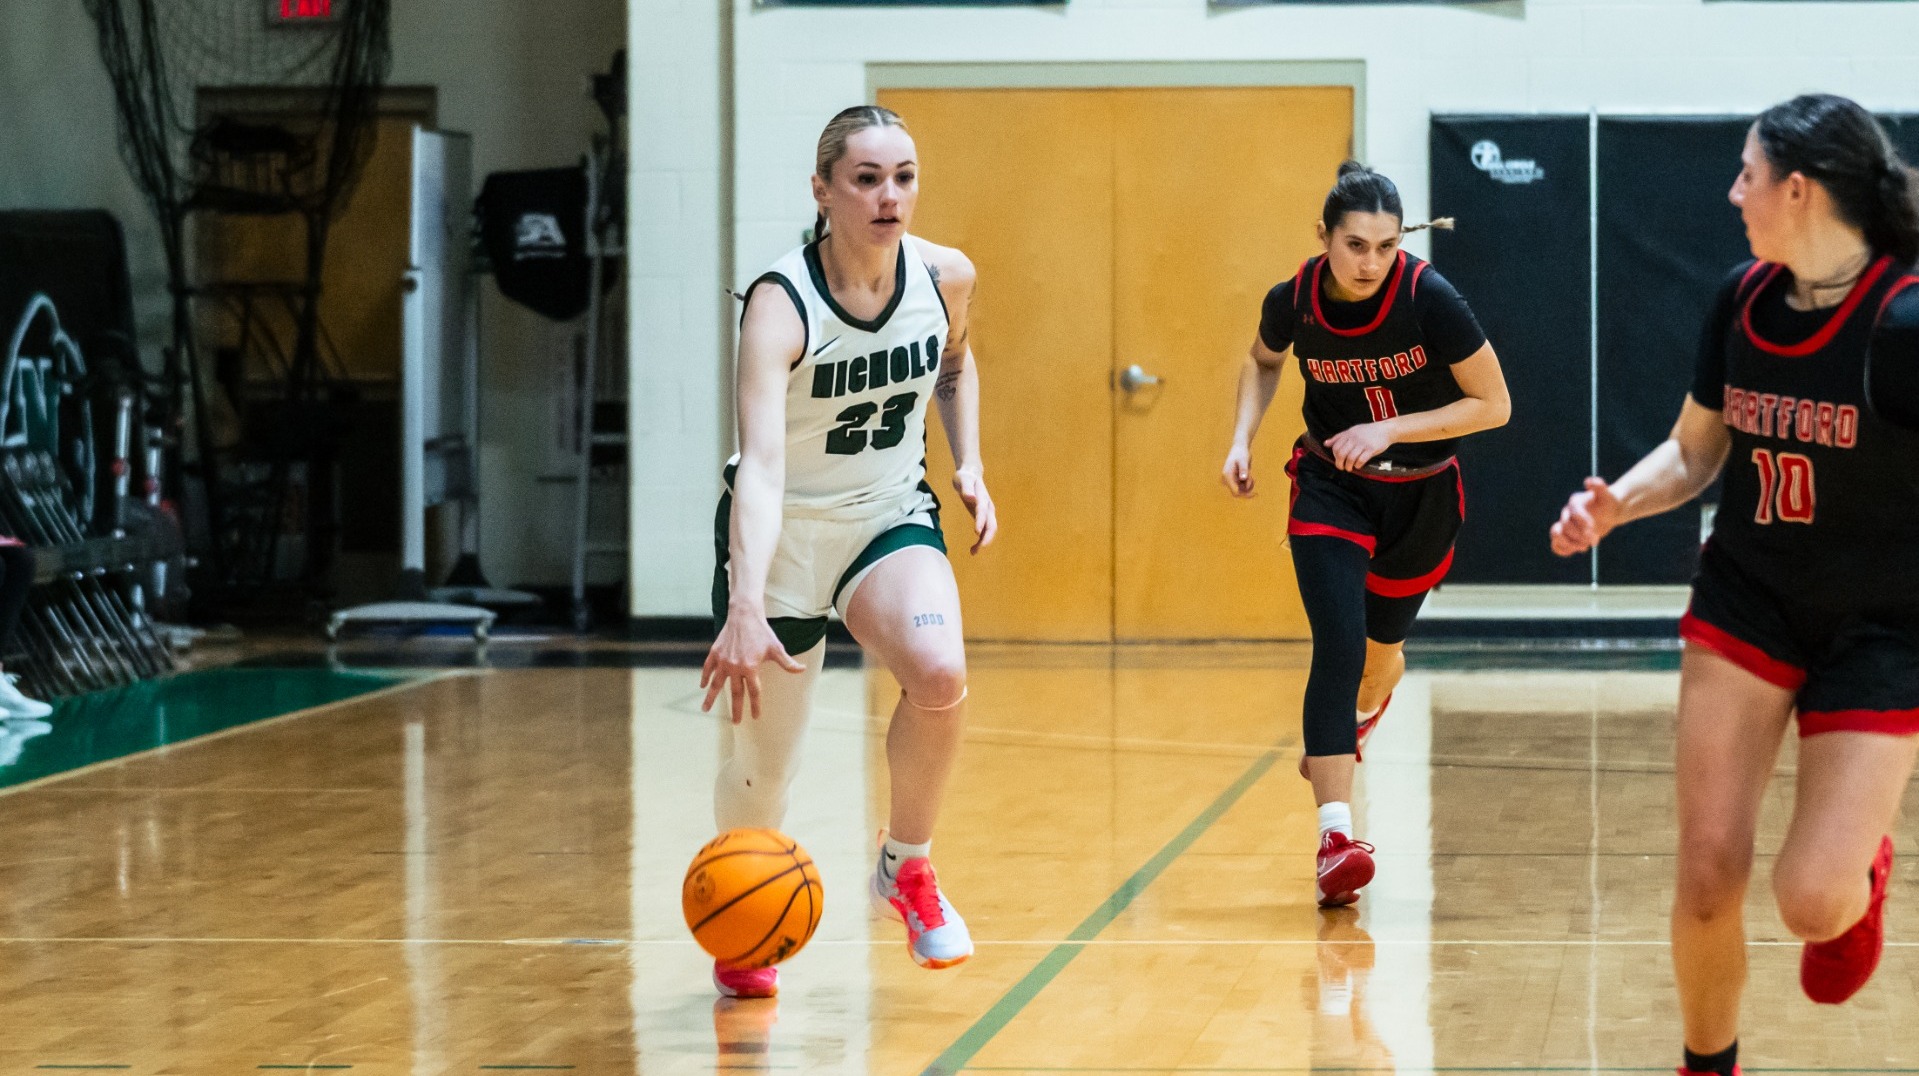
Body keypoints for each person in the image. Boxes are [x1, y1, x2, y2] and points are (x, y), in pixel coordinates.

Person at [1551, 94, 1919, 1076]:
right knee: (1707, 871)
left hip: (1882, 628)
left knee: (1809, 901)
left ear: (1795, 190)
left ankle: (1861, 869)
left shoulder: (1904, 319)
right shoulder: (1740, 298)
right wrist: (1614, 504)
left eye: (1745, 174)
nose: (1731, 192)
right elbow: (1692, 450)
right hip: (1748, 599)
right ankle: (1705, 1065)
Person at [700, 105, 998, 999]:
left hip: (883, 513)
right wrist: (745, 604)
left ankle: (904, 867)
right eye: (866, 178)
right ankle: (741, 915)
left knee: (940, 673)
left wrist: (970, 459)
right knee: (762, 775)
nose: (887, 195)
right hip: (783, 531)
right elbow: (757, 467)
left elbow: (956, 361)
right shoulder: (779, 304)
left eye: (902, 176)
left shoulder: (944, 275)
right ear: (823, 190)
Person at [1224, 161, 1510, 907]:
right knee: (1338, 643)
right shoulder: (1293, 300)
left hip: (1420, 496)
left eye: (1385, 246)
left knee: (1376, 661)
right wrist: (1239, 439)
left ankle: (1362, 710)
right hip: (1330, 485)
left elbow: (1493, 404)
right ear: (1323, 238)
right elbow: (1261, 363)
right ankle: (1334, 839)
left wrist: (1386, 426)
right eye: (1355, 245)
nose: (1370, 263)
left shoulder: (1431, 300)